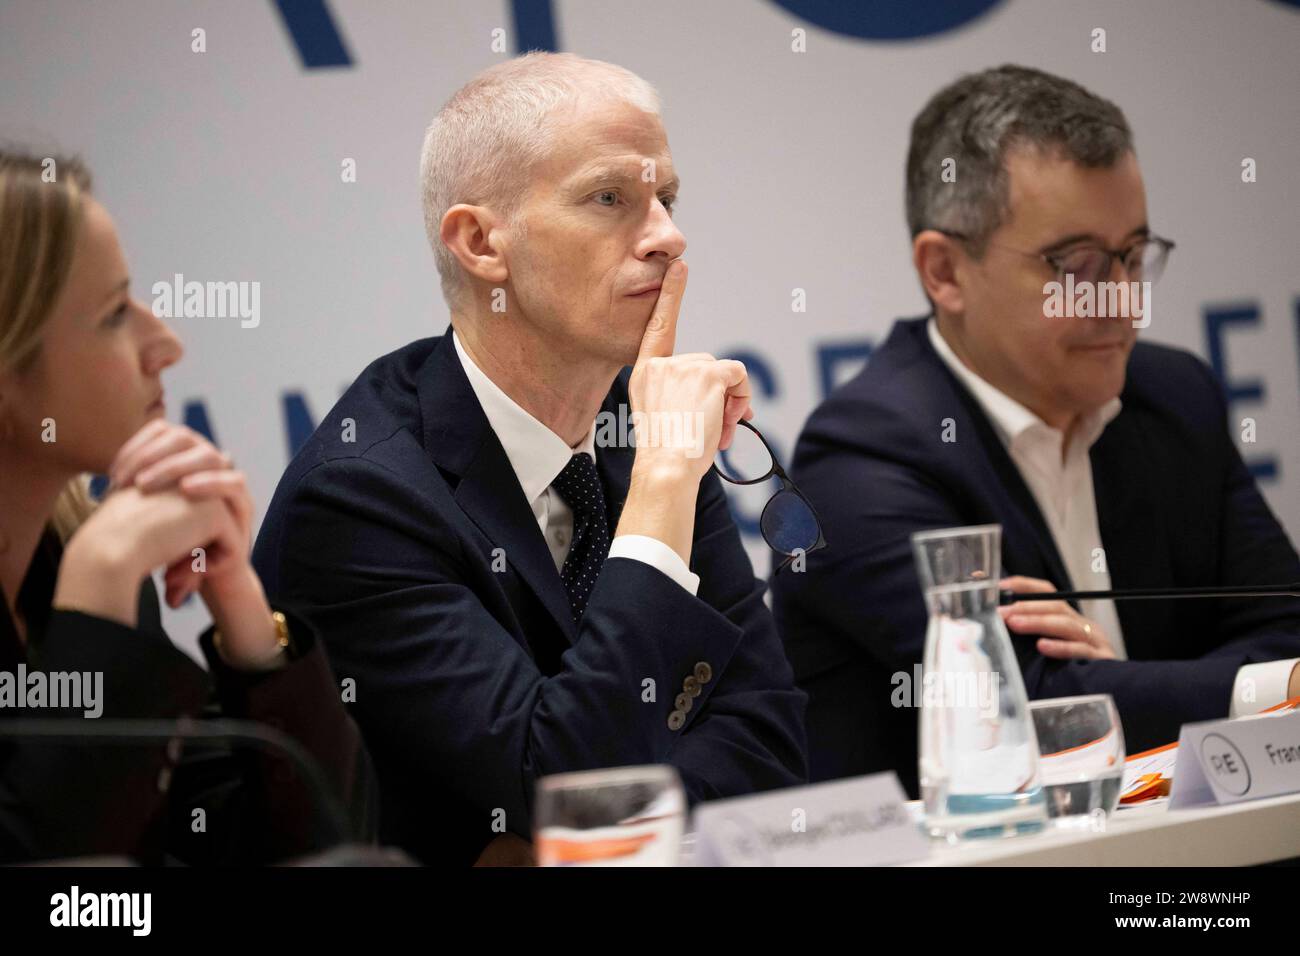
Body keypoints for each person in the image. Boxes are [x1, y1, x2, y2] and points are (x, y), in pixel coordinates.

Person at [252, 52, 808, 865]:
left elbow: (771, 744)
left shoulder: (639, 425)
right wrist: (660, 488)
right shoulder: (358, 498)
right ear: (481, 243)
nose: (668, 236)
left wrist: (571, 830)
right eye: (611, 198)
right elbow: (565, 782)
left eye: (667, 198)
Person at [771, 65, 1300, 797]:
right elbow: (1025, 712)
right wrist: (1262, 690)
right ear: (945, 271)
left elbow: (1283, 624)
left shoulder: (1175, 395)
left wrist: (1108, 679)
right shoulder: (861, 459)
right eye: (1077, 264)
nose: (1123, 299)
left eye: (1134, 254)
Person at [0, 150, 375, 863]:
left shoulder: (80, 569)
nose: (165, 344)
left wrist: (245, 621)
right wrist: (101, 582)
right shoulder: (99, 574)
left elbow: (324, 849)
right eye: (114, 314)